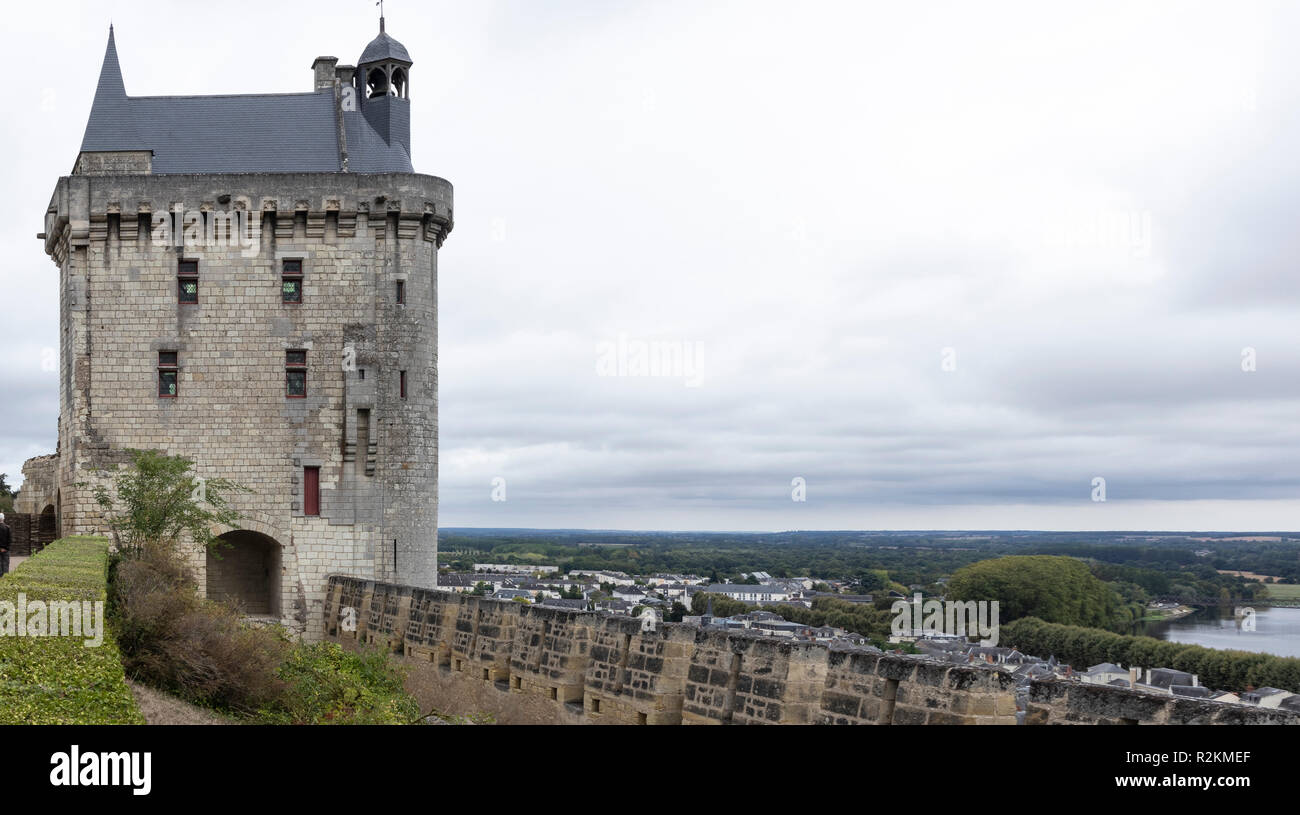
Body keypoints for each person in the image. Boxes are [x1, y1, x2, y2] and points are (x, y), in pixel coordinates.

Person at [0, 512, 10, 577]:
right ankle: (6, 577)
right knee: (6, 563)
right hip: (6, 549)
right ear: (3, 519)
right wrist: (5, 548)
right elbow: (9, 540)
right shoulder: (7, 527)